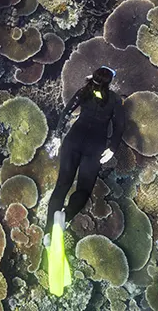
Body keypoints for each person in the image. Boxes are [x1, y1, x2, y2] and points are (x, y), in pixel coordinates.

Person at [45, 66, 125, 238]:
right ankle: (66, 216)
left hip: (72, 141)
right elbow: (120, 126)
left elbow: (66, 113)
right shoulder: (114, 100)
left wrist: (58, 136)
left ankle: (47, 230)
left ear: (93, 78)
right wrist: (112, 148)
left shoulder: (84, 91)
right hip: (94, 148)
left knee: (62, 185)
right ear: (110, 82)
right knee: (84, 189)